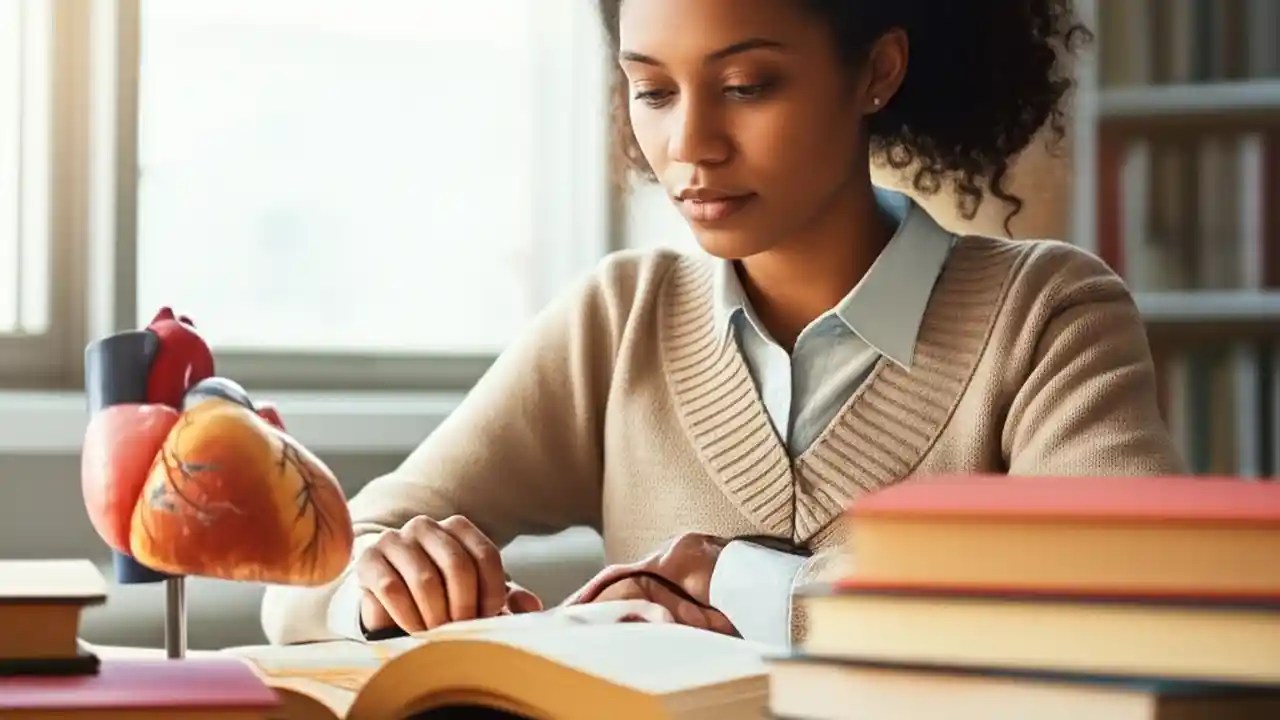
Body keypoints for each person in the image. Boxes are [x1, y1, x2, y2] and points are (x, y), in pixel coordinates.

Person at [261, 0, 1185, 648]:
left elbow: (1137, 604)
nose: (689, 145)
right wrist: (389, 584)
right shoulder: (621, 321)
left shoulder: (1047, 316)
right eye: (654, 91)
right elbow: (314, 571)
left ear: (877, 71)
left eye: (745, 86)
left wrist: (757, 590)